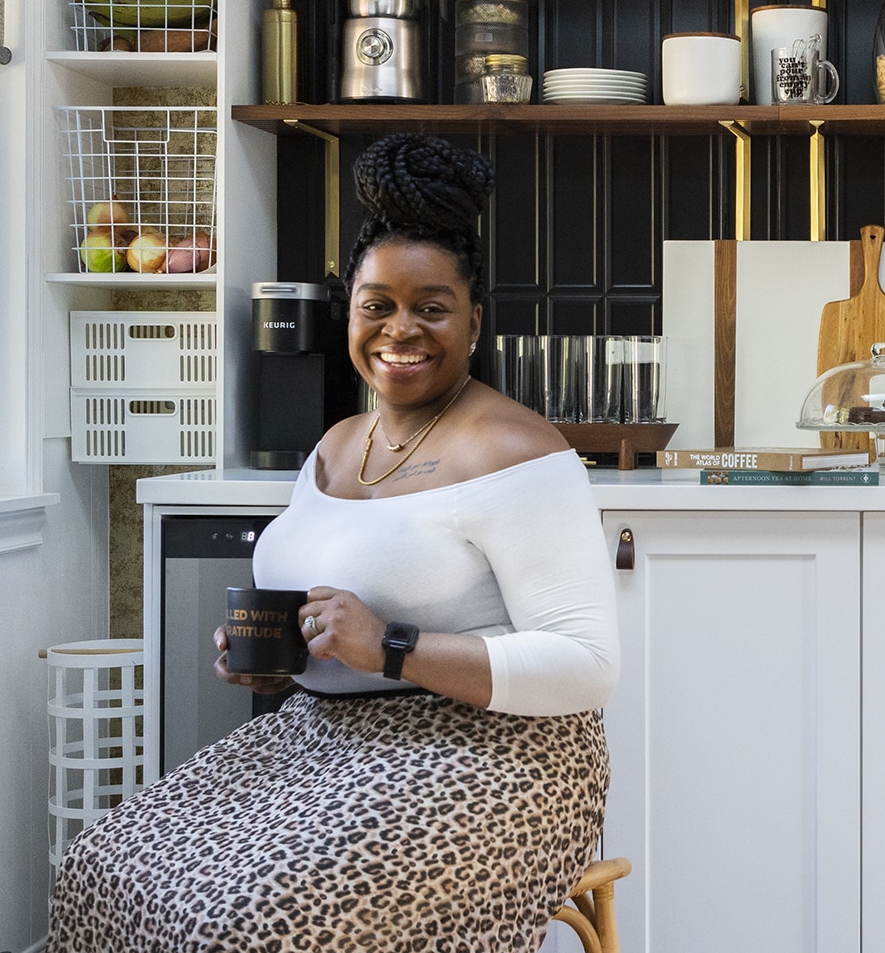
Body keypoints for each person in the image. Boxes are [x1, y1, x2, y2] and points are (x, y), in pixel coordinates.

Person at [48, 134, 619, 953]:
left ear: (474, 319)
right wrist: (279, 656)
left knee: (243, 925)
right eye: (377, 304)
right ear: (348, 313)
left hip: (492, 758)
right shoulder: (336, 443)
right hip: (316, 742)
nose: (401, 329)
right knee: (100, 867)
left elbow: (588, 665)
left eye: (432, 306)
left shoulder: (515, 451)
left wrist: (387, 645)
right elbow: (329, 617)